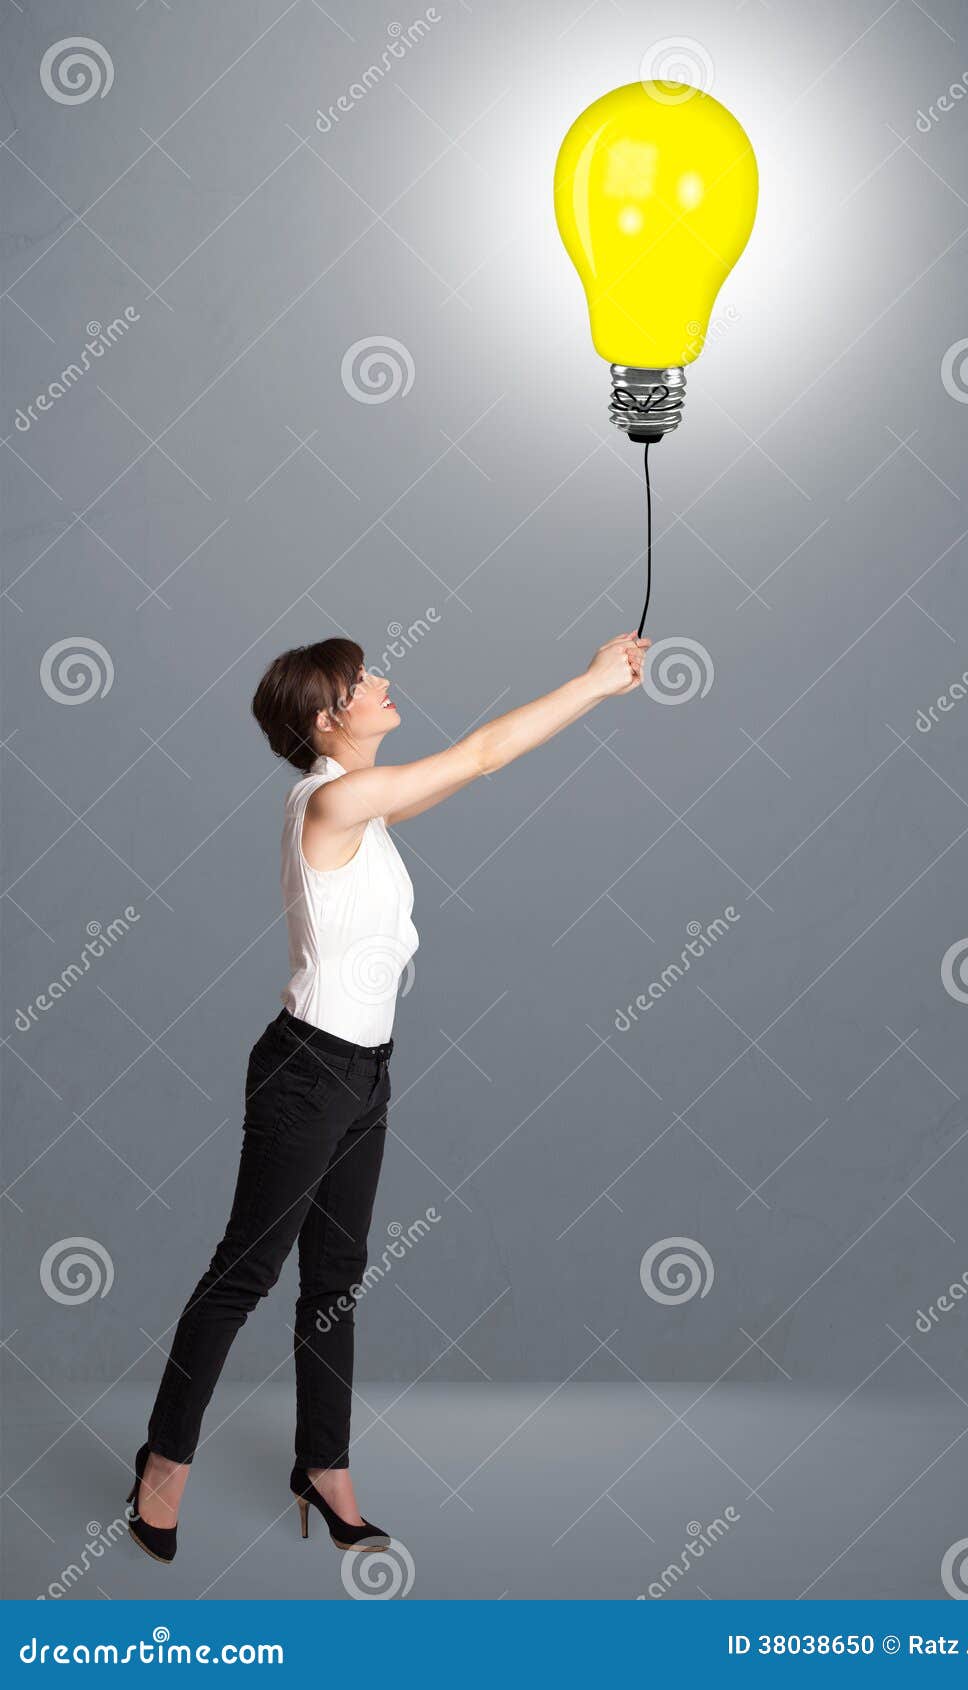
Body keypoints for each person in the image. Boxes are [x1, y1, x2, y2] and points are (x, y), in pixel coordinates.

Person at [125, 630, 651, 1562]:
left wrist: (586, 696)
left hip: (364, 1073)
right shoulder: (333, 799)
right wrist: (595, 684)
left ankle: (324, 1469)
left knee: (333, 1283)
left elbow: (470, 771)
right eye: (363, 679)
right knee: (242, 1278)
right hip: (308, 1072)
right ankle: (162, 1468)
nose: (382, 680)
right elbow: (482, 751)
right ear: (329, 719)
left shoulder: (364, 810)